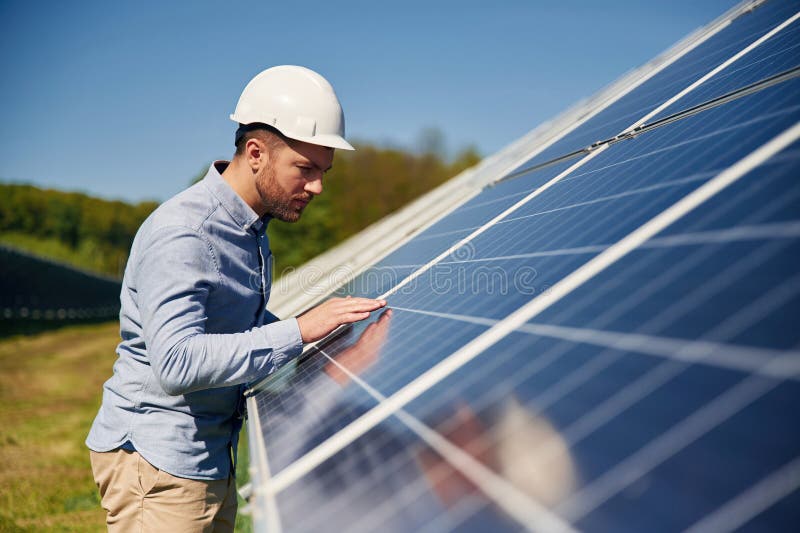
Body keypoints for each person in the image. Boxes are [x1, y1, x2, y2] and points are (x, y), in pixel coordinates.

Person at [85, 65, 386, 532]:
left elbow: (235, 326)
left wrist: (324, 345)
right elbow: (177, 363)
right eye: (305, 169)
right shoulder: (186, 233)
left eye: (323, 172)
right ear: (256, 153)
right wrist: (299, 330)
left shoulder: (249, 228)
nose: (317, 187)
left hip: (206, 457)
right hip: (160, 464)